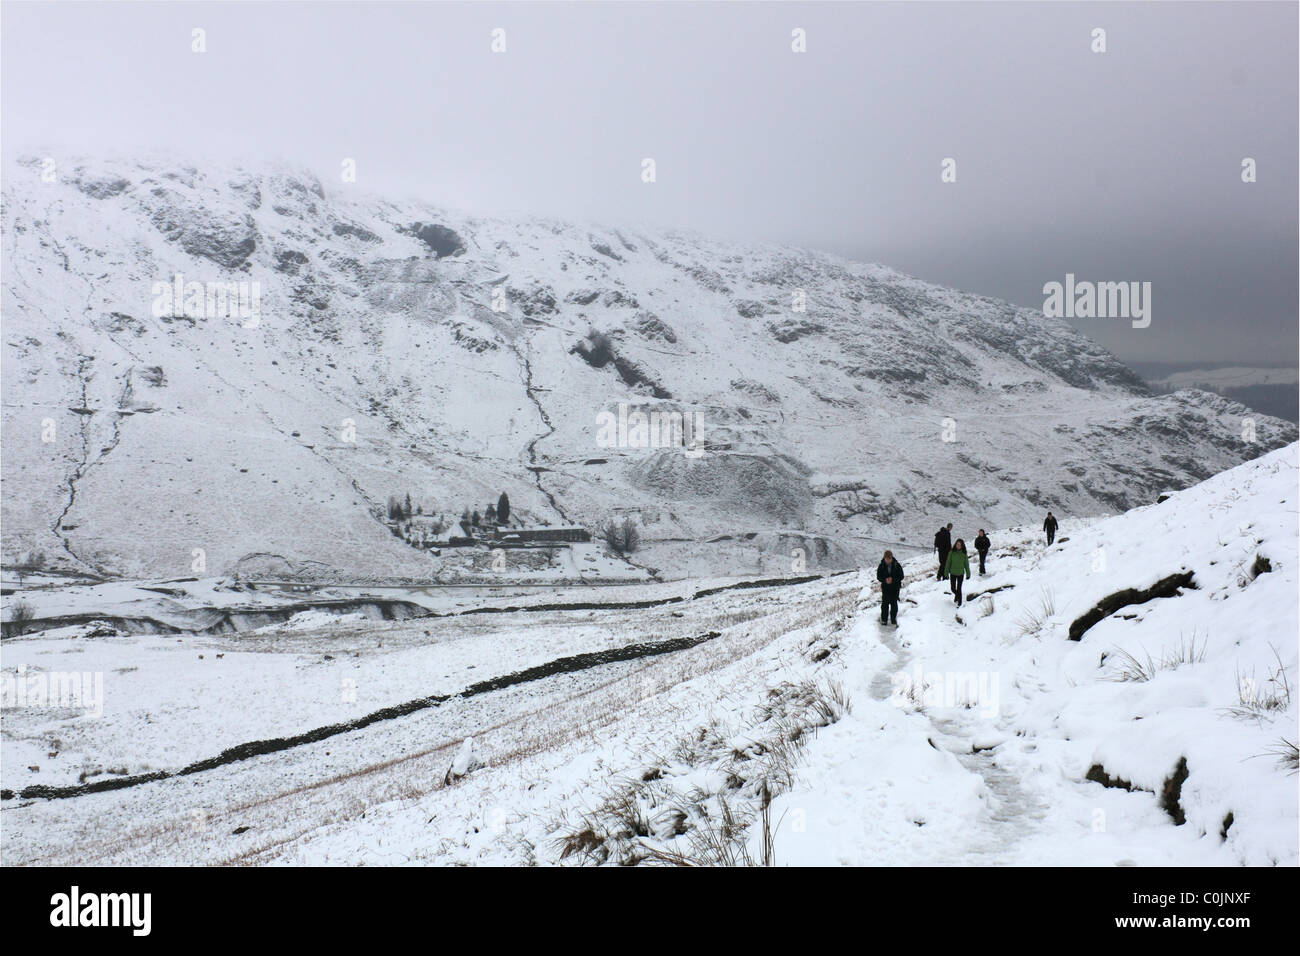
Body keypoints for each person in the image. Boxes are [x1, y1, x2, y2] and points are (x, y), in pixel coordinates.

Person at [876, 550, 904, 625]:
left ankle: (893, 619)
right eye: (886, 559)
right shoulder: (881, 565)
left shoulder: (896, 565)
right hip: (885, 587)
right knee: (885, 604)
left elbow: (901, 576)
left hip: (895, 587)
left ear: (891, 558)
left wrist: (893, 580)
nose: (888, 561)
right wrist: (885, 580)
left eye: (889, 559)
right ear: (884, 558)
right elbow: (878, 576)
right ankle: (884, 619)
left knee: (894, 603)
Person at [944, 538, 971, 606]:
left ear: (962, 546)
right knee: (953, 588)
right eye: (957, 544)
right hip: (953, 573)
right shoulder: (951, 552)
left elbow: (966, 564)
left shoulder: (964, 554)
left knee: (959, 588)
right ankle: (957, 596)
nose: (958, 546)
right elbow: (948, 563)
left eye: (960, 545)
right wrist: (946, 573)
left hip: (960, 573)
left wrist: (968, 573)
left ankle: (960, 602)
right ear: (955, 544)